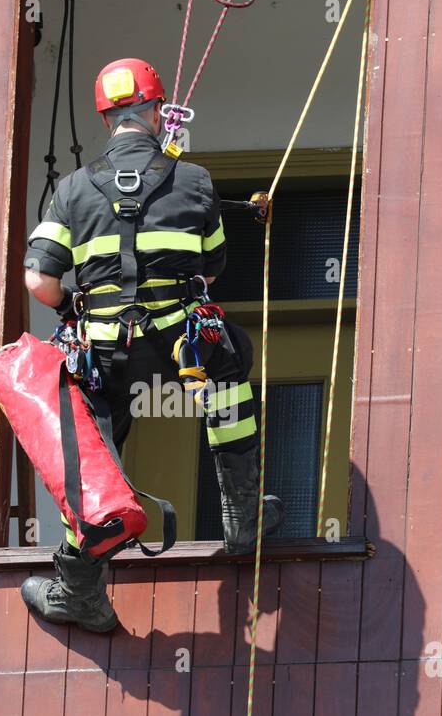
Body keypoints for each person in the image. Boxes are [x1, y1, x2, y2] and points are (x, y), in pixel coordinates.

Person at [21, 57, 284, 632]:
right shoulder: (193, 181)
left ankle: (81, 587)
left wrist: (76, 309)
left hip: (103, 353)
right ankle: (242, 519)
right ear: (158, 112)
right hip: (180, 346)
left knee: (88, 452)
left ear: (107, 119)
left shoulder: (71, 190)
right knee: (230, 366)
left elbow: (38, 281)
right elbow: (209, 272)